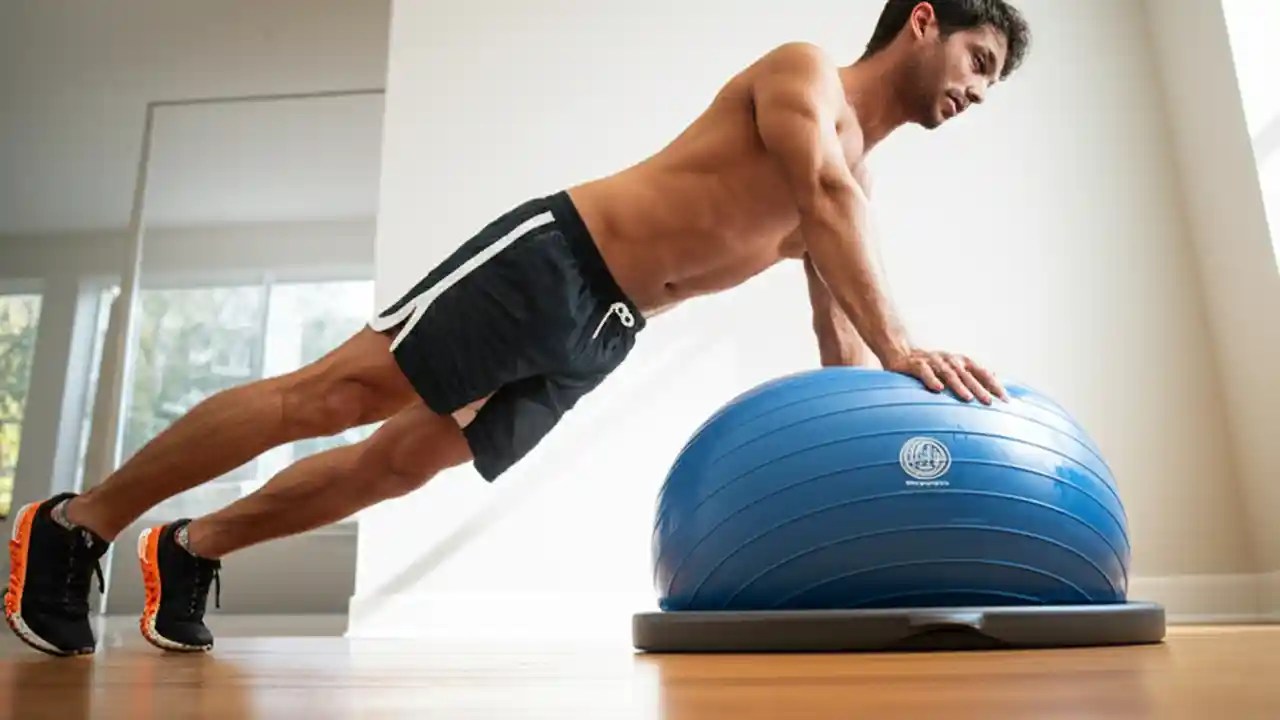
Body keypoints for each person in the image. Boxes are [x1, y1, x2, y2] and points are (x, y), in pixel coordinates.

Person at [5, 0, 1030, 656]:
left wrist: (870, 435)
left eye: (991, 82)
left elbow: (835, 335)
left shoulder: (857, 186)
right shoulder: (803, 75)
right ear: (922, 19)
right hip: (557, 259)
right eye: (977, 59)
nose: (976, 91)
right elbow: (821, 198)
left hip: (604, 330)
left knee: (398, 466)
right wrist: (906, 348)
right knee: (336, 397)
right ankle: (75, 523)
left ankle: (193, 547)